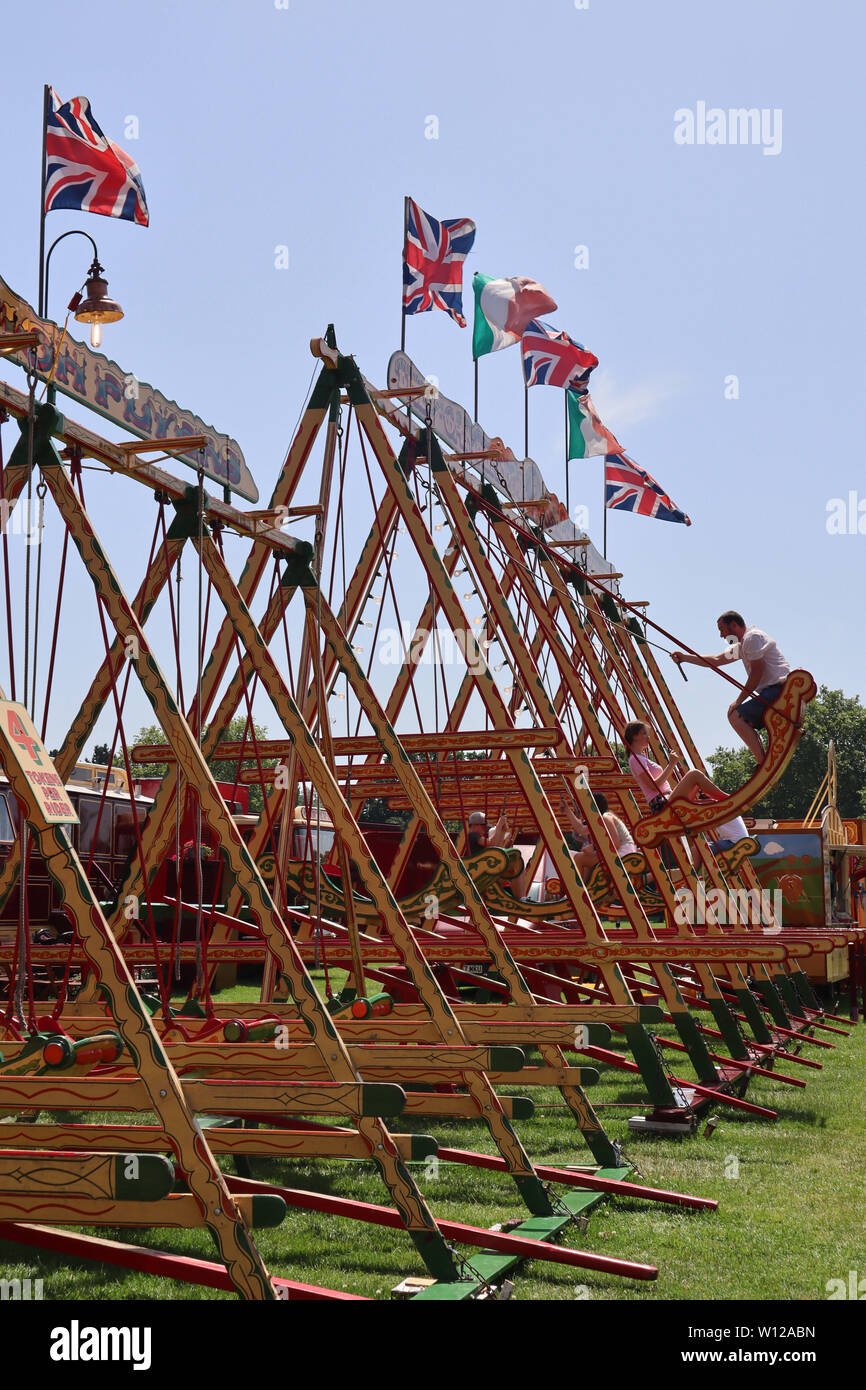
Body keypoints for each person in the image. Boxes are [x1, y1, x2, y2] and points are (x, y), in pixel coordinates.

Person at [671, 612, 792, 764]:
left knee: (735, 715)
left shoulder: (752, 638)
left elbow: (756, 673)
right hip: (773, 691)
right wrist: (684, 657)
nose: (721, 635)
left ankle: (763, 763)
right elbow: (716, 660)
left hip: (777, 691)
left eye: (722, 629)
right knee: (736, 715)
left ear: (734, 625)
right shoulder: (743, 645)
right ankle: (763, 761)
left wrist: (738, 701)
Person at [624, 721, 729, 813]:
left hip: (667, 799)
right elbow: (653, 786)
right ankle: (725, 798)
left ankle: (719, 800)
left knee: (696, 783)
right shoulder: (635, 759)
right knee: (693, 774)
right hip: (661, 804)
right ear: (634, 736)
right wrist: (671, 764)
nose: (648, 737)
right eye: (644, 733)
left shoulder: (640, 758)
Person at [562, 790, 637, 877]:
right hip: (619, 851)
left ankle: (579, 889)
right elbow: (581, 829)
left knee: (579, 858)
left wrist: (594, 847)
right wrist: (567, 809)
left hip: (623, 853)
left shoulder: (605, 818)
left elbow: (615, 844)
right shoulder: (602, 819)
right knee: (584, 859)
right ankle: (587, 887)